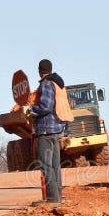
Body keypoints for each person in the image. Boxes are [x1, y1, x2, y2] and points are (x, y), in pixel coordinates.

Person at [27, 58, 67, 204]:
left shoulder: (46, 84)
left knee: (46, 165)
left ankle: (52, 198)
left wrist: (31, 109)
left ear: (39, 71)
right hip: (56, 129)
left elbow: (45, 107)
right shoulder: (58, 84)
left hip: (46, 130)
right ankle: (58, 196)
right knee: (55, 165)